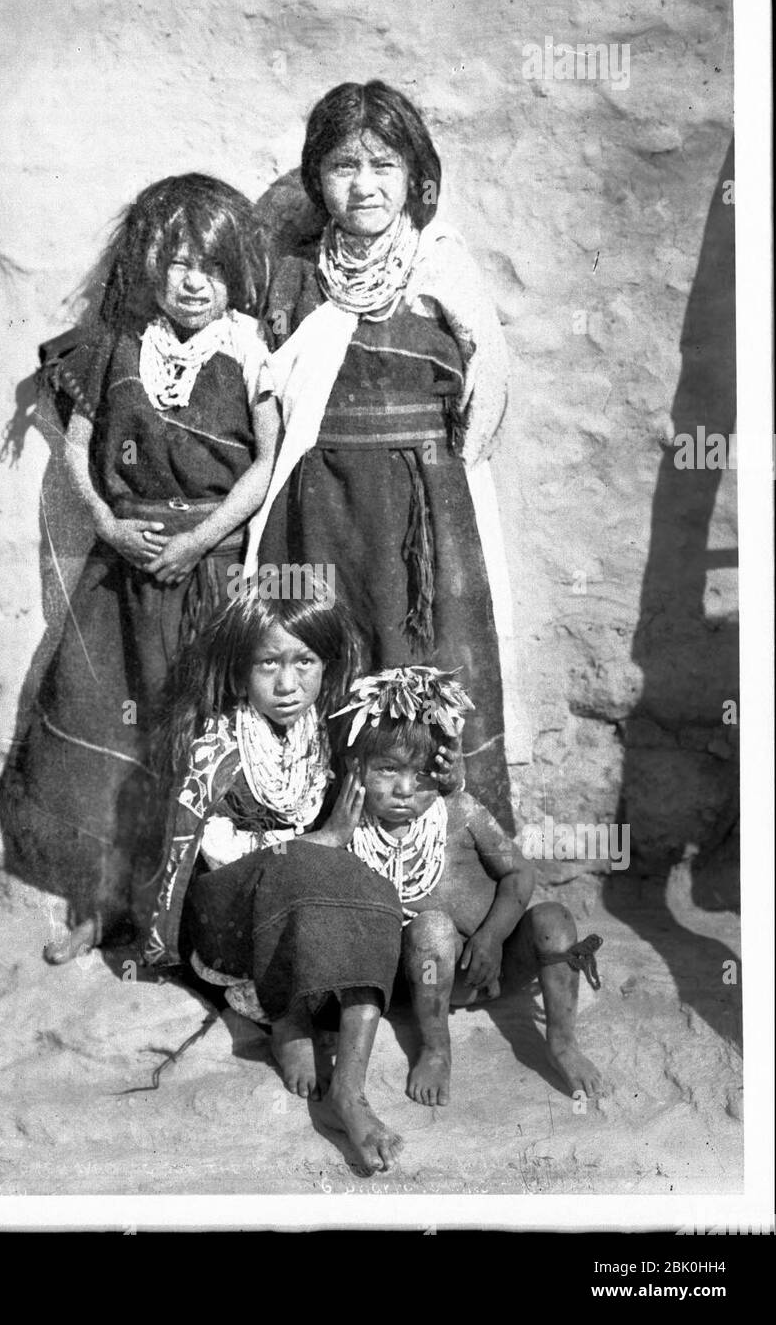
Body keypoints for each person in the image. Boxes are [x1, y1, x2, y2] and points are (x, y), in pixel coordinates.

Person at [0, 174, 280, 963]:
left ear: (238, 277)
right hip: (120, 578)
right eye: (180, 262)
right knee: (111, 730)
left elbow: (263, 466)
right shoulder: (120, 344)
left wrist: (201, 541)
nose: (195, 281)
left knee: (200, 740)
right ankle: (102, 905)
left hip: (210, 575)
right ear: (152, 265)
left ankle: (191, 919)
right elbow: (80, 449)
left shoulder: (251, 349)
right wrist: (110, 526)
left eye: (213, 268)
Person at [246, 80, 515, 830]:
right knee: (325, 658)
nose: (362, 185)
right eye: (342, 167)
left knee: (420, 663)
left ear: (414, 178)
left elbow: (486, 383)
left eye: (382, 166)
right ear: (316, 178)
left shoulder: (439, 266)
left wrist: (434, 473)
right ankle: (332, 854)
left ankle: (437, 856)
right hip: (318, 503)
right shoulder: (296, 273)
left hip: (417, 512)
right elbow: (266, 380)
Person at [141, 580, 459, 1174]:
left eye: (304, 662)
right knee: (309, 870)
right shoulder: (218, 748)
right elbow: (216, 864)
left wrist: (452, 777)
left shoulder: (332, 736)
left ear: (325, 665)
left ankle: (349, 1092)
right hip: (234, 912)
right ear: (240, 672)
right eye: (268, 664)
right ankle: (287, 1020)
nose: (288, 685)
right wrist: (324, 841)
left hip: (306, 899)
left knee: (371, 894)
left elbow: (404, 775)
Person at [325, 665, 605, 1109]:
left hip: (493, 970)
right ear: (355, 767)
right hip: (418, 984)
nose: (403, 787)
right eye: (386, 769)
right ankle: (436, 1049)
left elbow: (521, 875)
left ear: (440, 770)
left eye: (419, 773)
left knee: (554, 919)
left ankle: (563, 1042)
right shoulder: (347, 830)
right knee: (431, 927)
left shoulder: (459, 812)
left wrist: (492, 937)